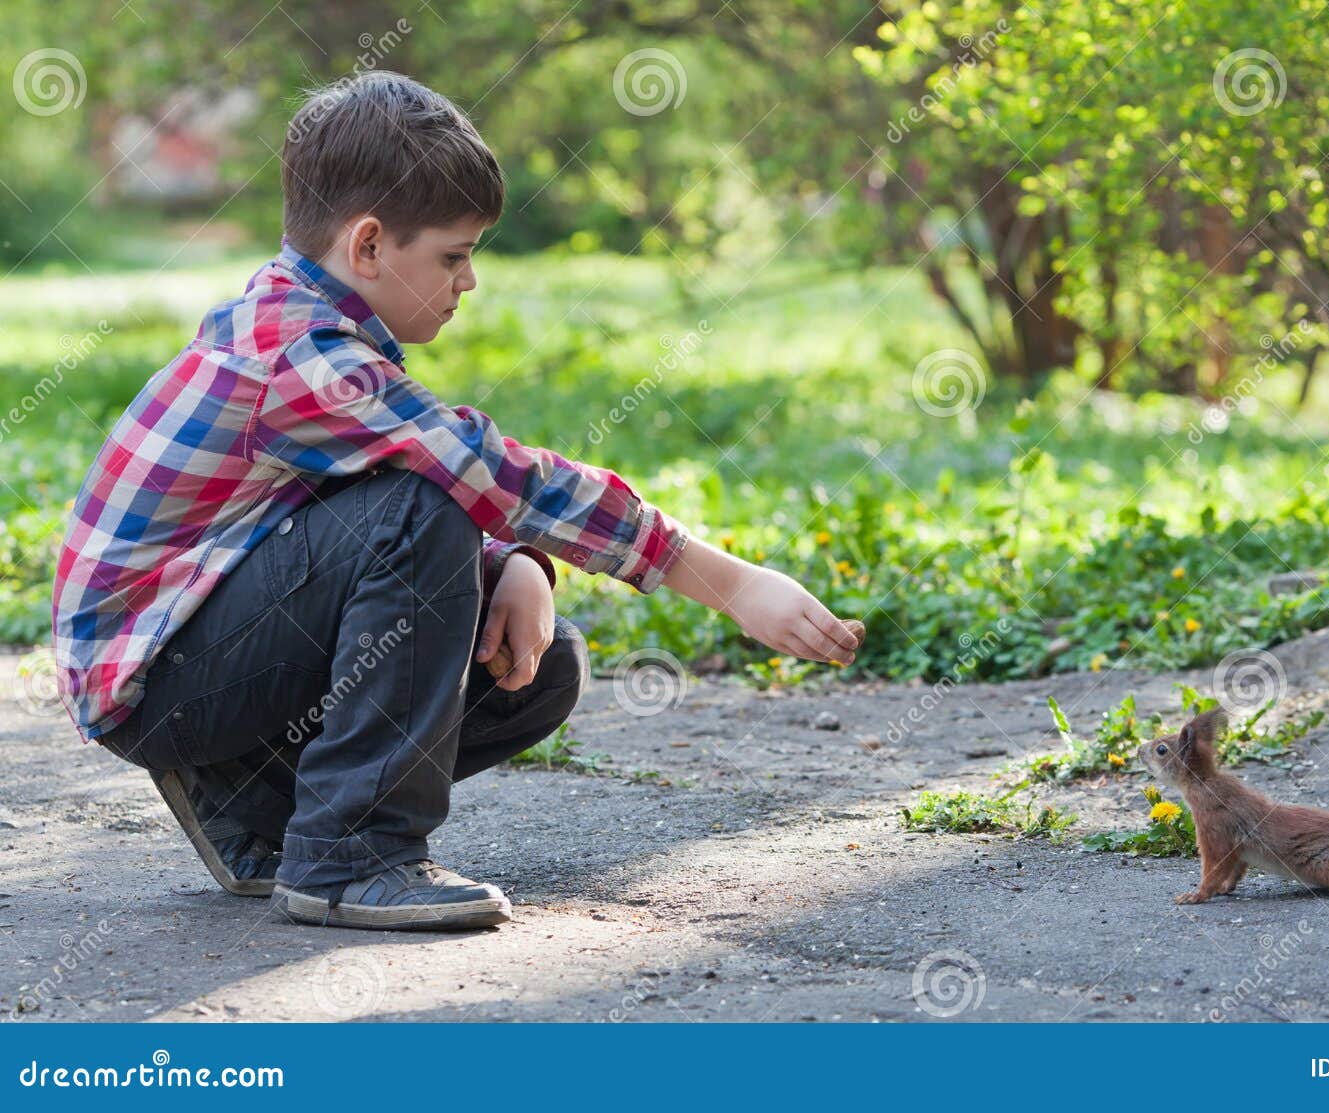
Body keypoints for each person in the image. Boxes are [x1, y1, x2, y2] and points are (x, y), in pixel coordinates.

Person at [51, 71, 860, 932]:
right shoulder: (300, 356)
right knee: (422, 508)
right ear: (368, 247)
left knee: (538, 668)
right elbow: (485, 475)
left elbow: (343, 506)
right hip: (152, 677)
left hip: (198, 650)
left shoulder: (317, 328)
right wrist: (730, 583)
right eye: (454, 254)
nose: (469, 280)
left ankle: (254, 806)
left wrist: (508, 563)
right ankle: (350, 858)